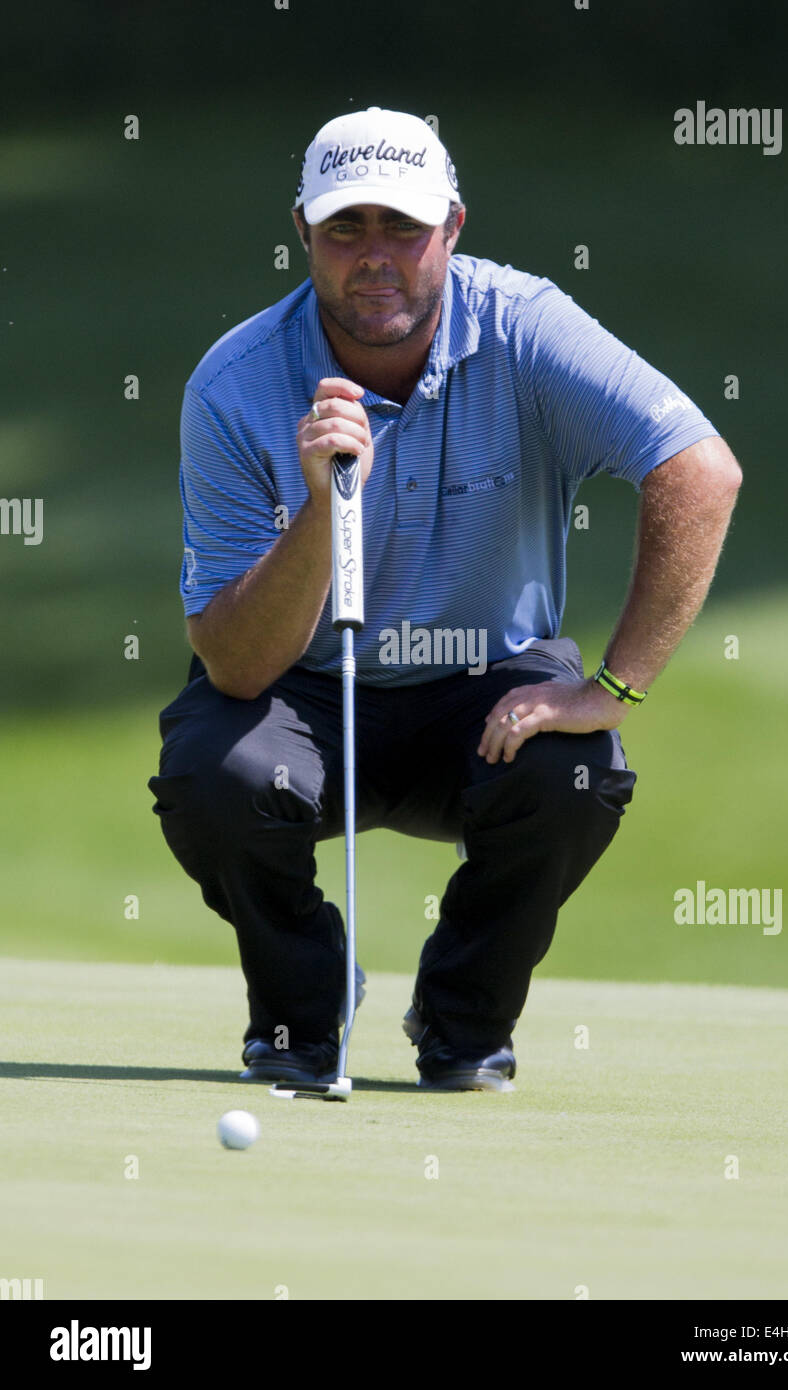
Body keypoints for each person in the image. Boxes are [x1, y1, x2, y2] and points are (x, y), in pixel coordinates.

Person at [148, 106, 742, 1092]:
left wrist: (610, 687)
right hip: (303, 692)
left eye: (402, 228)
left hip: (486, 691)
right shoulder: (235, 384)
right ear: (303, 230)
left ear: (452, 228)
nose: (374, 257)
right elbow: (238, 663)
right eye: (346, 228)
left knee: (575, 773)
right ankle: (303, 1014)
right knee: (218, 774)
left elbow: (698, 470)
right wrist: (320, 500)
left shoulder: (526, 327)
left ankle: (462, 1021)